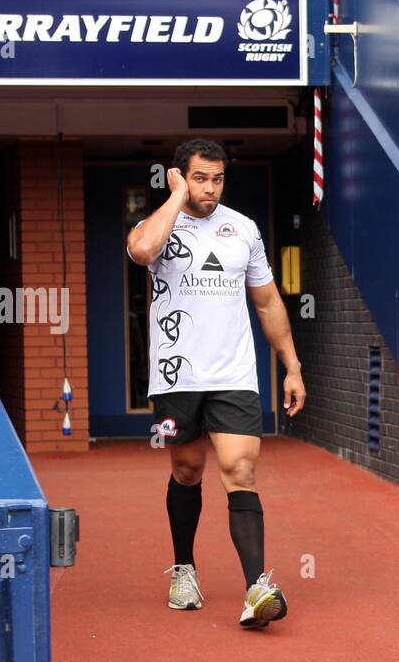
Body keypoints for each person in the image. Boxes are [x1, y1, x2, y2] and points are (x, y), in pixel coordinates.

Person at [126, 138, 305, 629]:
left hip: (234, 375)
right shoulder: (157, 226)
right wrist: (176, 199)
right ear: (180, 177)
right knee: (187, 470)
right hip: (176, 375)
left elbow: (268, 303)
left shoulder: (242, 229)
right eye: (200, 177)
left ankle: (256, 588)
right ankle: (184, 569)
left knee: (239, 470)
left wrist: (291, 365)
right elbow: (141, 251)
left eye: (217, 178)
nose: (210, 187)